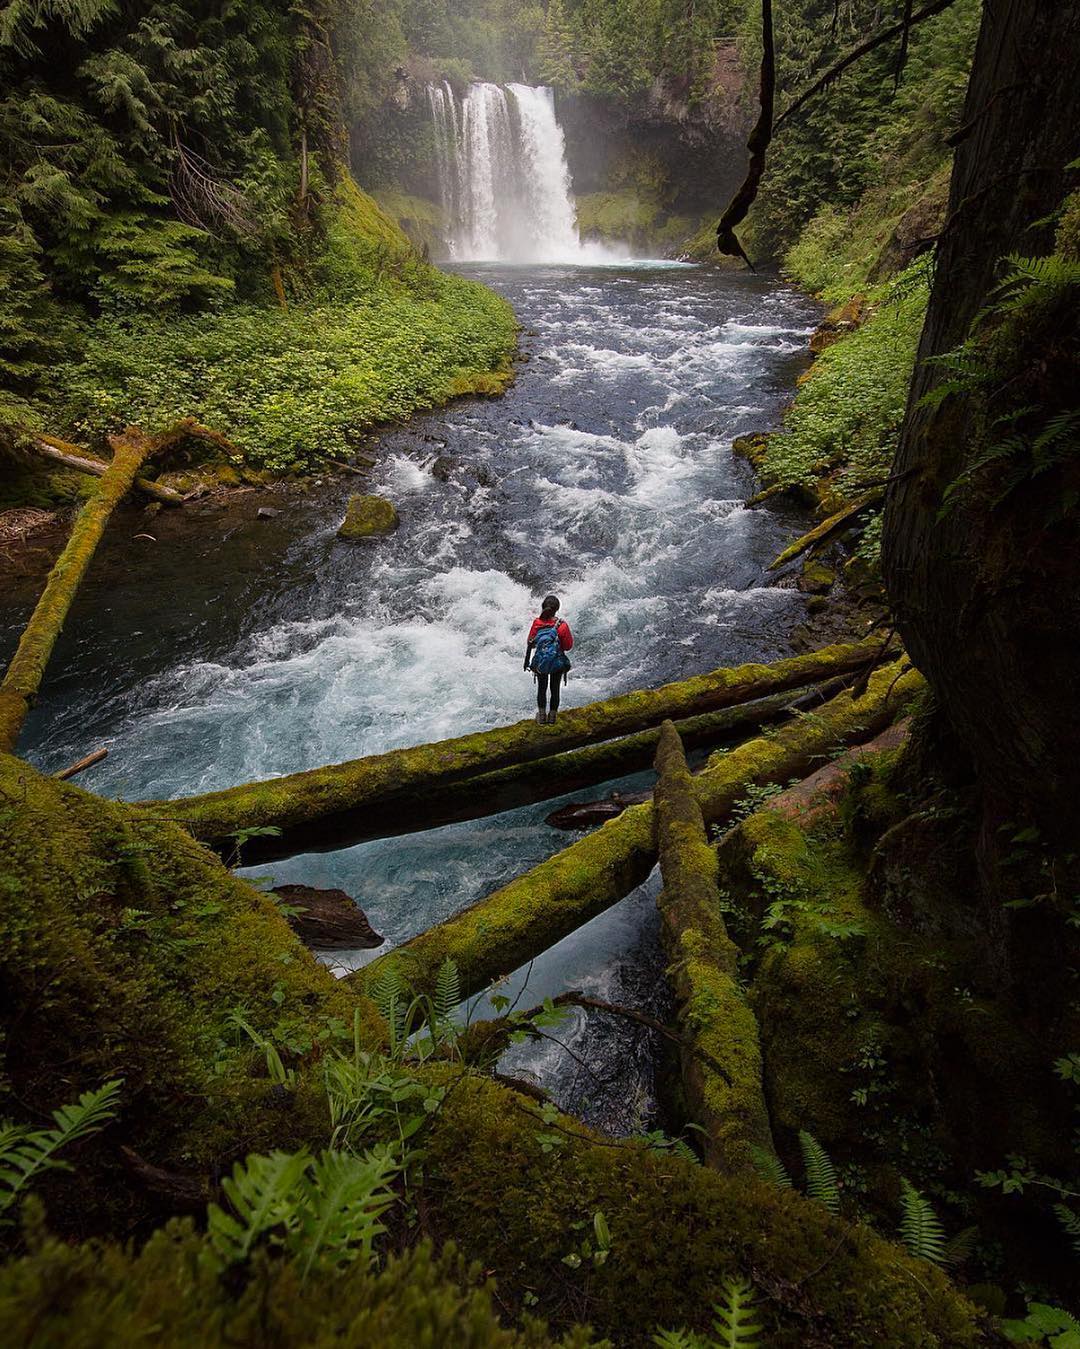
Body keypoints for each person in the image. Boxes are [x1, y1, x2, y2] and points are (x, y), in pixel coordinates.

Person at [523, 594, 573, 724]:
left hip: (541, 662)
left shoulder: (537, 623)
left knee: (542, 688)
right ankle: (552, 717)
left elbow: (530, 642)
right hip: (557, 662)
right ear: (557, 609)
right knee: (555, 688)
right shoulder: (562, 625)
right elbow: (568, 646)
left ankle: (541, 717)